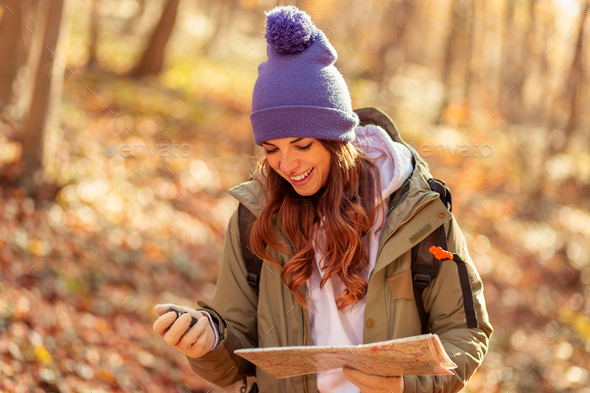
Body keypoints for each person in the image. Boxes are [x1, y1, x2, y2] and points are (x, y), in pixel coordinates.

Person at [152, 5, 493, 393]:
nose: (286, 164)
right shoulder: (255, 215)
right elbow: (236, 354)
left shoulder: (421, 212)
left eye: (301, 145)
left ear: (337, 140)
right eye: (271, 149)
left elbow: (467, 330)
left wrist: (408, 386)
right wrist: (208, 342)